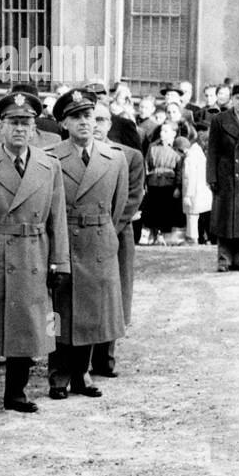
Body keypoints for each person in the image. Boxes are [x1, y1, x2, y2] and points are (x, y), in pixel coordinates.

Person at [0, 90, 68, 415]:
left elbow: (58, 218)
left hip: (34, 253)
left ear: (34, 128)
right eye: (13, 122)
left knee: (29, 322)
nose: (20, 129)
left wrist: (60, 261)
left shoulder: (49, 166)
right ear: (0, 127)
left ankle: (17, 393)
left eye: (26, 122)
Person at [46, 90, 128, 400]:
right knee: (59, 312)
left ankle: (82, 373)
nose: (84, 122)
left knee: (92, 312)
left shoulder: (114, 157)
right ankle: (58, 374)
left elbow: (117, 208)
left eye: (88, 116)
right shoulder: (51, 157)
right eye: (76, 117)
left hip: (97, 242)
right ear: (64, 123)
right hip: (64, 241)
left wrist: (101, 232)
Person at [90, 103, 145, 379]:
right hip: (80, 237)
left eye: (101, 120)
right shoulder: (67, 155)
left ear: (110, 124)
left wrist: (108, 229)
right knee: (70, 301)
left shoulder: (130, 156)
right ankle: (66, 361)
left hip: (116, 235)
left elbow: (132, 198)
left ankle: (104, 358)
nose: (95, 125)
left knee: (113, 298)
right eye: (91, 118)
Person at [207, 84, 239, 270]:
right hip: (226, 177)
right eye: (237, 98)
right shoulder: (220, 120)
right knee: (224, 218)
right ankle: (224, 259)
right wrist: (211, 177)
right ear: (232, 99)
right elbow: (212, 150)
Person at [140, 121, 182, 244]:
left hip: (168, 185)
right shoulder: (153, 147)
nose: (162, 133)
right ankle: (151, 234)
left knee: (165, 210)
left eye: (166, 131)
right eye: (161, 131)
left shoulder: (176, 149)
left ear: (173, 133)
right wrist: (144, 184)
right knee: (152, 209)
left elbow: (179, 170)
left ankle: (162, 234)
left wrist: (178, 187)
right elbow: (146, 166)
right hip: (153, 183)